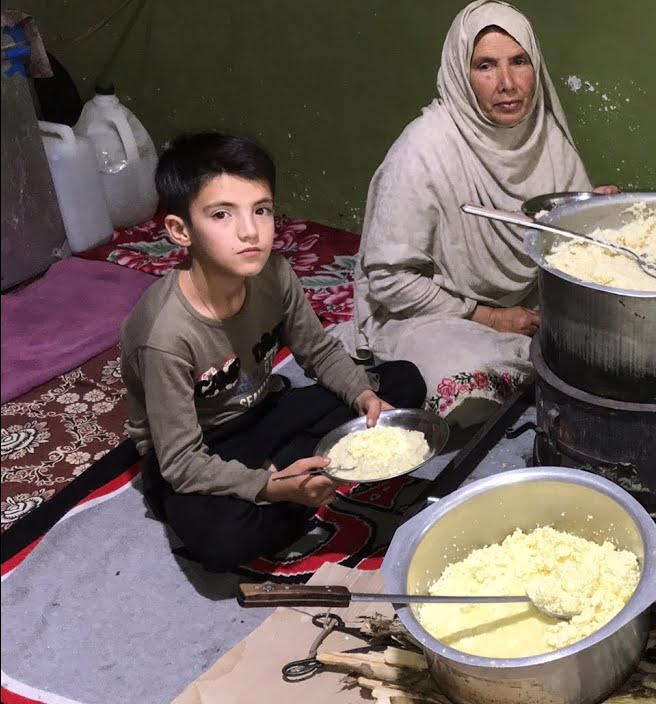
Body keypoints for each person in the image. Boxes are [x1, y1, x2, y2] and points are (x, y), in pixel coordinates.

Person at [121, 132, 427, 572]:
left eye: (261, 210)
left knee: (401, 385)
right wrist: (269, 486)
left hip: (266, 408)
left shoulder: (275, 274)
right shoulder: (164, 335)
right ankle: (299, 481)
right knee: (222, 542)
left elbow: (317, 351)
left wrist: (362, 396)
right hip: (200, 445)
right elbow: (182, 461)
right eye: (222, 214)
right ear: (180, 230)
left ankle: (300, 476)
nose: (251, 231)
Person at [337, 0, 617, 427]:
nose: (507, 83)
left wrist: (590, 216)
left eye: (519, 61)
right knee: (463, 378)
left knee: (617, 327)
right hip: (436, 310)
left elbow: (555, 240)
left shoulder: (545, 135)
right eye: (485, 66)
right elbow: (391, 280)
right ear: (459, 73)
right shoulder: (424, 150)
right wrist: (490, 317)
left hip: (528, 297)